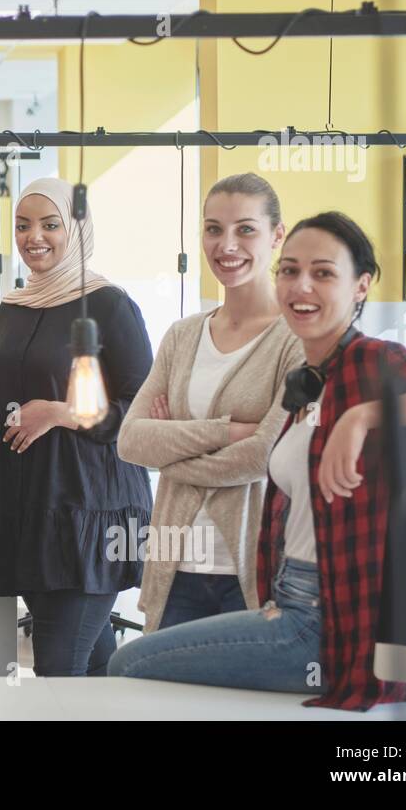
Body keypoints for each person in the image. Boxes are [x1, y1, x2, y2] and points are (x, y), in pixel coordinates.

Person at [108, 212, 406, 710]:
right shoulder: (308, 380)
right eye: (288, 270)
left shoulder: (370, 362)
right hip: (287, 599)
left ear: (361, 286)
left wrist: (361, 419)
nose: (300, 285)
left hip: (325, 620)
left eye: (323, 272)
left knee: (126, 665)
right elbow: (134, 441)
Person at [0, 178, 153, 676]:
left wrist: (58, 411)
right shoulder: (15, 306)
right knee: (92, 667)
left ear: (76, 229)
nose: (35, 237)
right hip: (26, 509)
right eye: (23, 225)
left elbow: (143, 411)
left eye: (50, 224)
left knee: (58, 673)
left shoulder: (110, 304)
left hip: (89, 509)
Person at [117, 174, 304, 631]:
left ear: (277, 235)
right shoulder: (182, 336)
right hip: (173, 568)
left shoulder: (295, 339)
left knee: (242, 703)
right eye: (214, 229)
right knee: (163, 699)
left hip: (251, 571)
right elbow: (131, 441)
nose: (227, 245)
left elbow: (265, 454)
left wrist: (172, 455)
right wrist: (225, 432)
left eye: (245, 229)